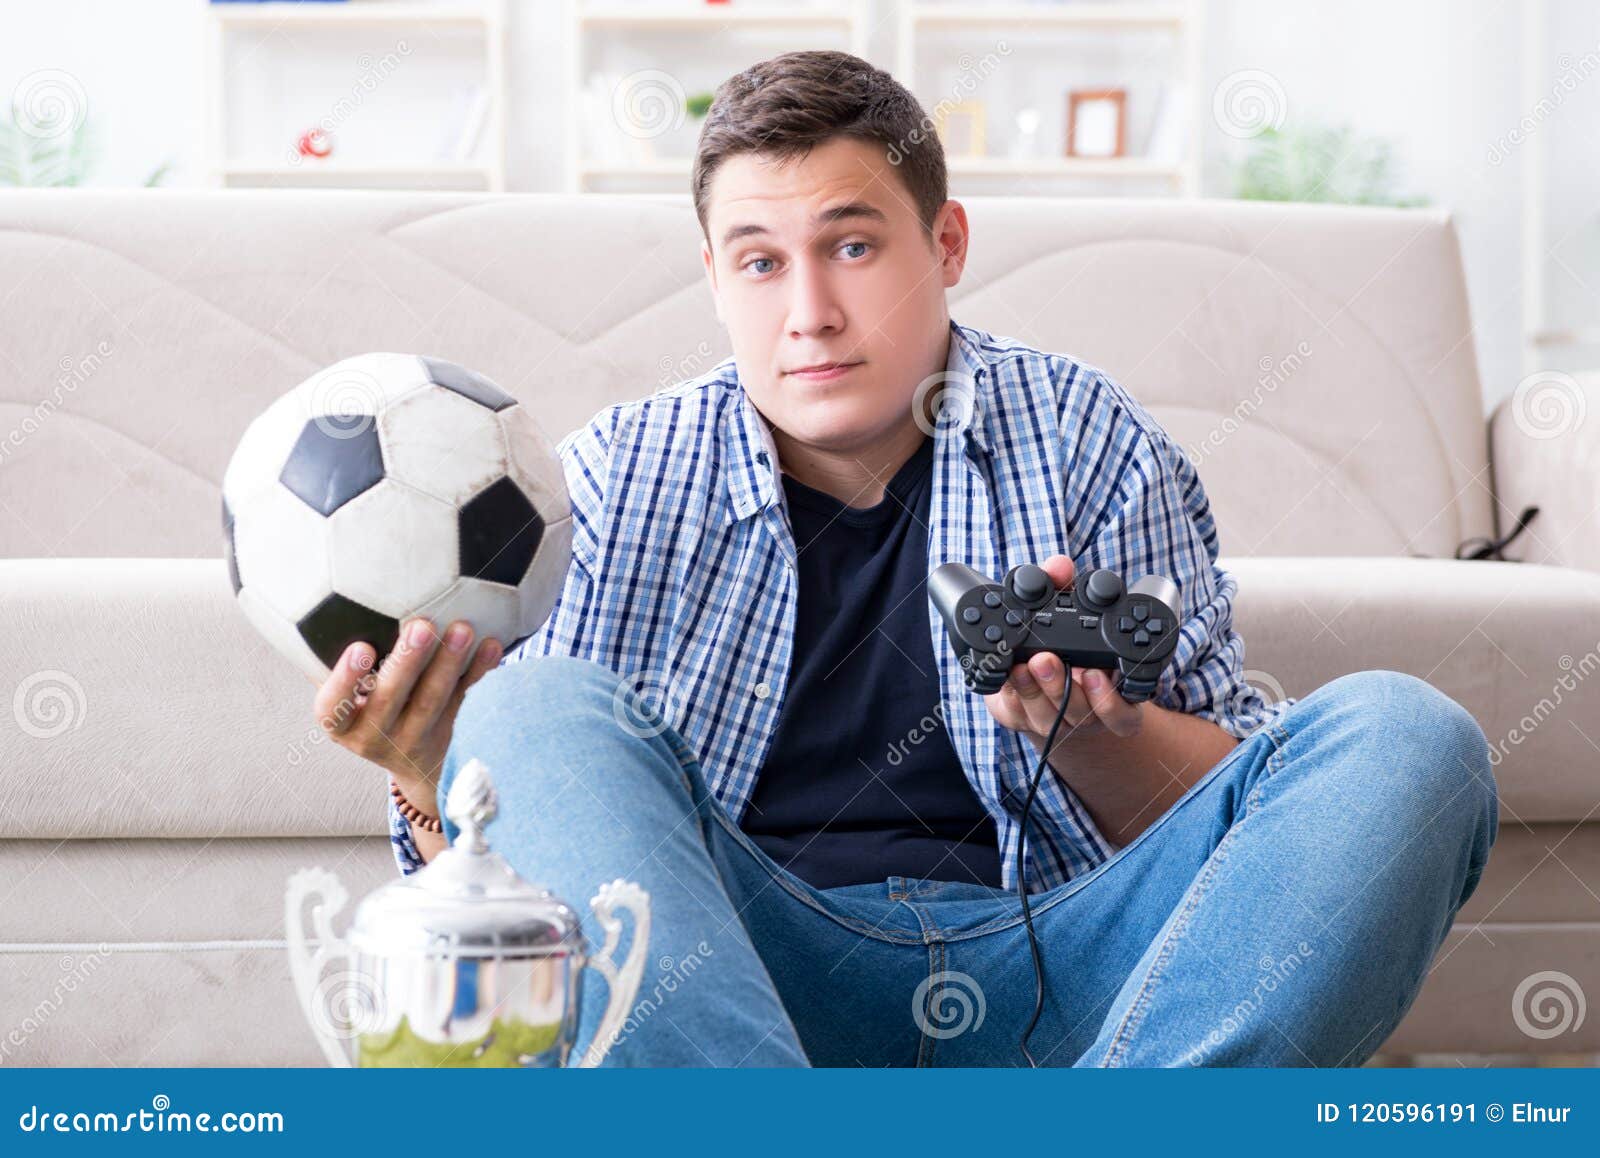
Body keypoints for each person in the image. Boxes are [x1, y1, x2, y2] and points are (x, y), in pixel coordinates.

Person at [310, 51, 1497, 1067]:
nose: (810, 311)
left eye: (853, 245)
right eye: (761, 261)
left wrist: (1098, 738)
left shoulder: (1088, 438)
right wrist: (428, 782)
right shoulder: (612, 480)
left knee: (1410, 740)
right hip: (741, 987)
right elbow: (541, 853)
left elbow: (1240, 837)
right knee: (534, 711)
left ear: (946, 242)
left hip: (1077, 976)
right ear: (715, 278)